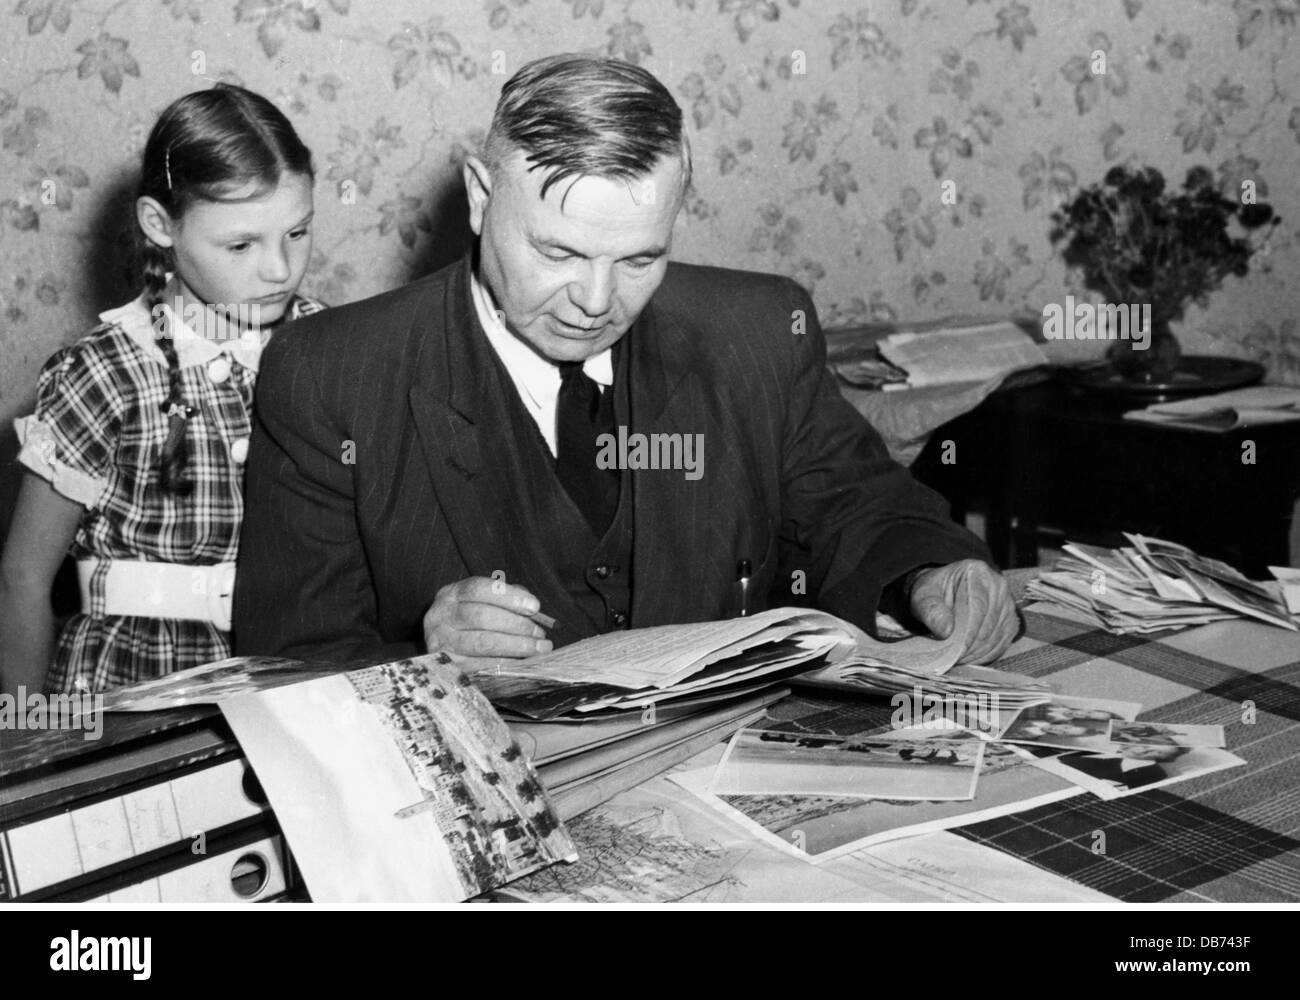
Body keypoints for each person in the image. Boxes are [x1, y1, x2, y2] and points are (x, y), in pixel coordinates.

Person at [233, 54, 1019, 670]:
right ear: (479, 197)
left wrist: (931, 575)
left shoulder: (757, 330)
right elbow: (287, 668)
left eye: (641, 258)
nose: (596, 301)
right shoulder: (330, 373)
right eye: (557, 252)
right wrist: (423, 652)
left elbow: (857, 505)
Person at [0, 84, 322, 696]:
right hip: (129, 678)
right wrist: (26, 746)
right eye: (240, 244)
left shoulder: (328, 348)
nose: (279, 269)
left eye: (298, 233)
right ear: (159, 224)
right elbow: (22, 577)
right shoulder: (104, 371)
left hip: (281, 670)